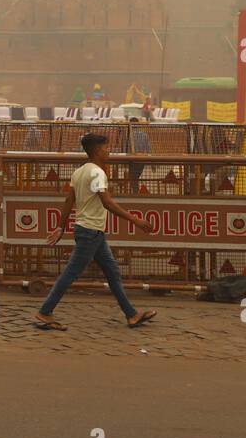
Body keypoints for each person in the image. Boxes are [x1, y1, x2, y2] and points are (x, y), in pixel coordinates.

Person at [35, 133, 158, 331]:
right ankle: (45, 311)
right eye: (106, 148)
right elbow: (107, 202)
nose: (108, 151)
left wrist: (60, 226)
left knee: (112, 272)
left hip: (92, 232)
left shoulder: (80, 172)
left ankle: (131, 315)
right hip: (90, 231)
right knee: (71, 273)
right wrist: (135, 220)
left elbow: (69, 201)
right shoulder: (97, 173)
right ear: (97, 150)